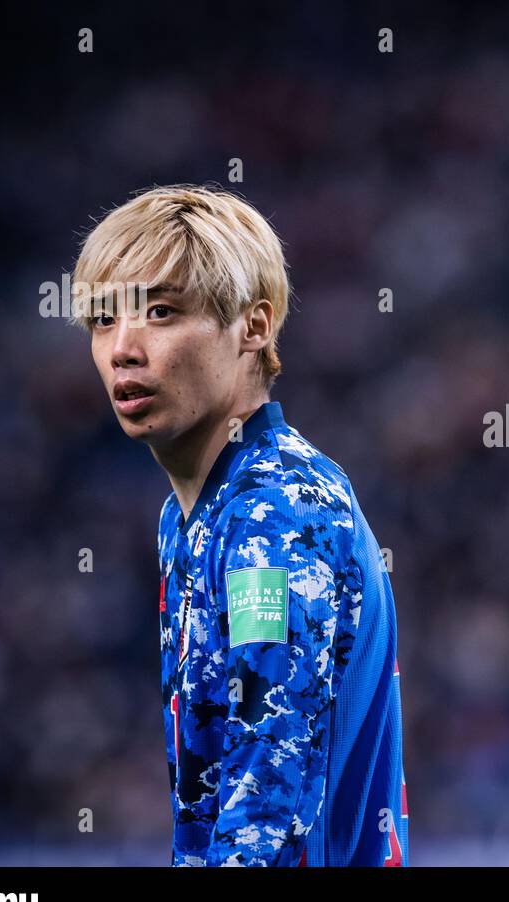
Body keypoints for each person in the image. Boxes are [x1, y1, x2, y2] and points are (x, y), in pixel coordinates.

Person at [70, 185, 407, 866]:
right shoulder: (193, 515)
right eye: (103, 320)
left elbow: (268, 812)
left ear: (253, 326)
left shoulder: (274, 515)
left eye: (160, 312)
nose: (123, 349)